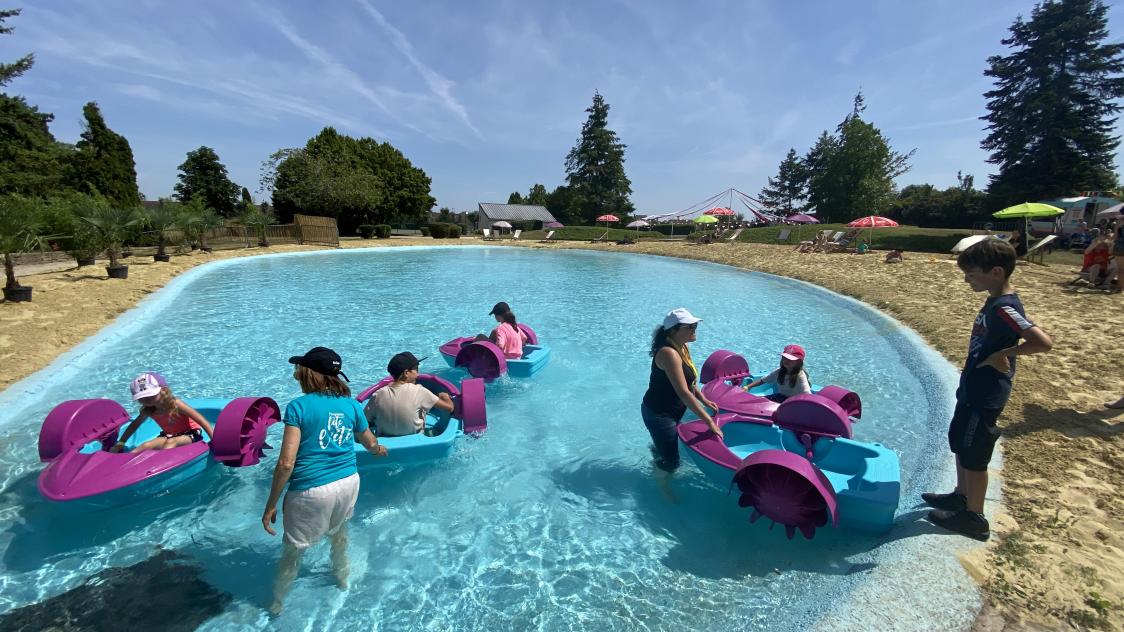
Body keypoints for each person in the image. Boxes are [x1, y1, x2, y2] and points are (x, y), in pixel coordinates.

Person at [923, 240, 1052, 540]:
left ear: (995, 272)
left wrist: (1003, 355)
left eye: (971, 275)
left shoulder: (1005, 306)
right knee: (959, 441)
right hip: (973, 387)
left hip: (986, 393)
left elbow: (1042, 342)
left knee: (975, 453)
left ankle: (974, 517)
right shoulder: (994, 300)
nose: (967, 280)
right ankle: (961, 495)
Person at [262, 347, 387, 615]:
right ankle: (342, 577)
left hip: (311, 490)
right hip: (348, 482)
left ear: (309, 374)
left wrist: (271, 503)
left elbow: (286, 463)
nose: (296, 375)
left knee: (293, 550)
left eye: (299, 370)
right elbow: (370, 442)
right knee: (339, 533)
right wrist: (379, 451)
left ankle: (277, 601)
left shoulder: (298, 407)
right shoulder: (352, 405)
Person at [640, 308, 722, 473]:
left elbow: (689, 382)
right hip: (659, 414)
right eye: (689, 327)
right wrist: (709, 422)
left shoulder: (681, 347)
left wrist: (704, 400)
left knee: (664, 449)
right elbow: (683, 392)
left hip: (669, 412)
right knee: (671, 463)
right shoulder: (668, 353)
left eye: (695, 326)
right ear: (674, 330)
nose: (694, 329)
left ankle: (657, 452)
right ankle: (663, 492)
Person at [111, 372, 214, 453]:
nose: (147, 400)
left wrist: (214, 441)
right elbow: (134, 425)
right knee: (146, 446)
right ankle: (123, 465)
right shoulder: (148, 410)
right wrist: (120, 443)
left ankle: (164, 467)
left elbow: (201, 420)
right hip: (169, 435)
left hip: (191, 435)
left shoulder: (175, 404)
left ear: (163, 390)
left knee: (170, 444)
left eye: (150, 396)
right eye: (142, 398)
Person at [364, 352, 454, 436]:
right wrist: (445, 397)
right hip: (416, 442)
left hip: (386, 444)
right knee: (436, 430)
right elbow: (449, 408)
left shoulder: (378, 394)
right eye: (416, 370)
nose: (418, 375)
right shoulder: (419, 391)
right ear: (406, 373)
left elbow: (363, 420)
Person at [742, 345, 812, 403]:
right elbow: (763, 380)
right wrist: (748, 387)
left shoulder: (800, 376)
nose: (786, 361)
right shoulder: (780, 371)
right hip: (781, 397)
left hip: (794, 402)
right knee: (758, 401)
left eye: (790, 359)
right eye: (784, 358)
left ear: (798, 362)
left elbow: (807, 396)